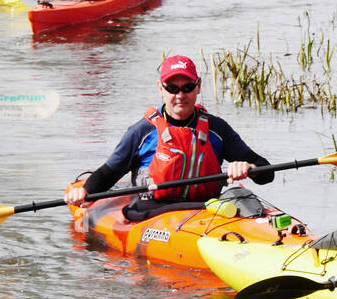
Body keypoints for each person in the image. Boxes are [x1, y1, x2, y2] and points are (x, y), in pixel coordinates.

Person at [64, 54, 274, 214]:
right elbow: (109, 173)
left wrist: (250, 168)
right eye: (172, 88)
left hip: (205, 212)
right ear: (160, 89)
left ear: (198, 86)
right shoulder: (142, 132)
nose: (180, 95)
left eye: (187, 87)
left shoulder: (217, 129)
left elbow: (267, 173)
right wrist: (85, 191)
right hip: (152, 212)